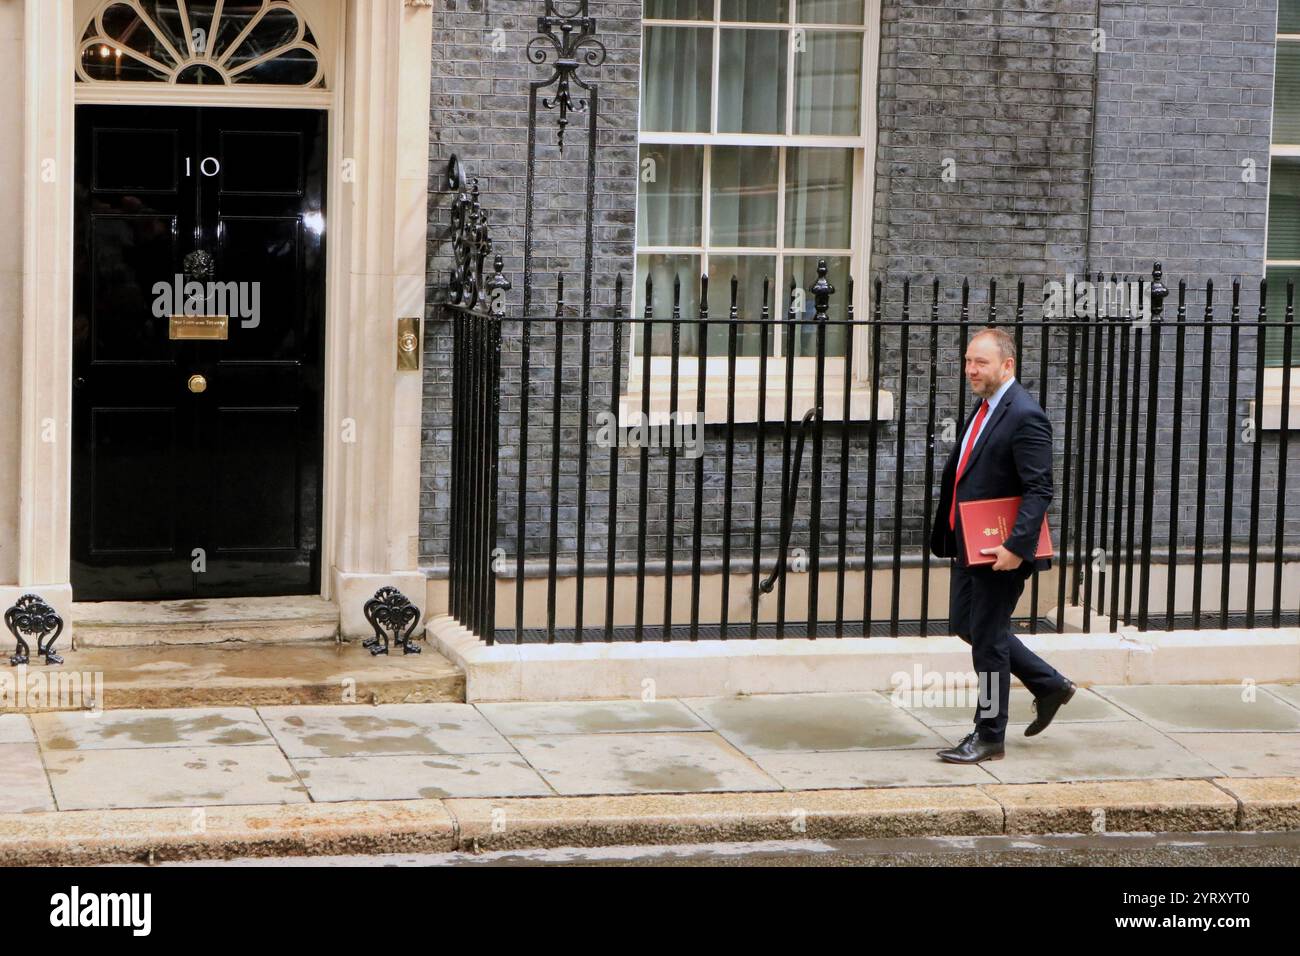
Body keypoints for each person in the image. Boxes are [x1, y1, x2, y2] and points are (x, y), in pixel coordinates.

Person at [929, 327, 1076, 764]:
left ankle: (990, 734)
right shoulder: (986, 408)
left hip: (1001, 552)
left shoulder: (1025, 415)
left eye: (981, 363)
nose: (971, 370)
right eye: (969, 361)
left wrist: (1015, 547)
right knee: (967, 626)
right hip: (970, 545)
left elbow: (1039, 489)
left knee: (988, 642)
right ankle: (1049, 684)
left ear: (1007, 365)